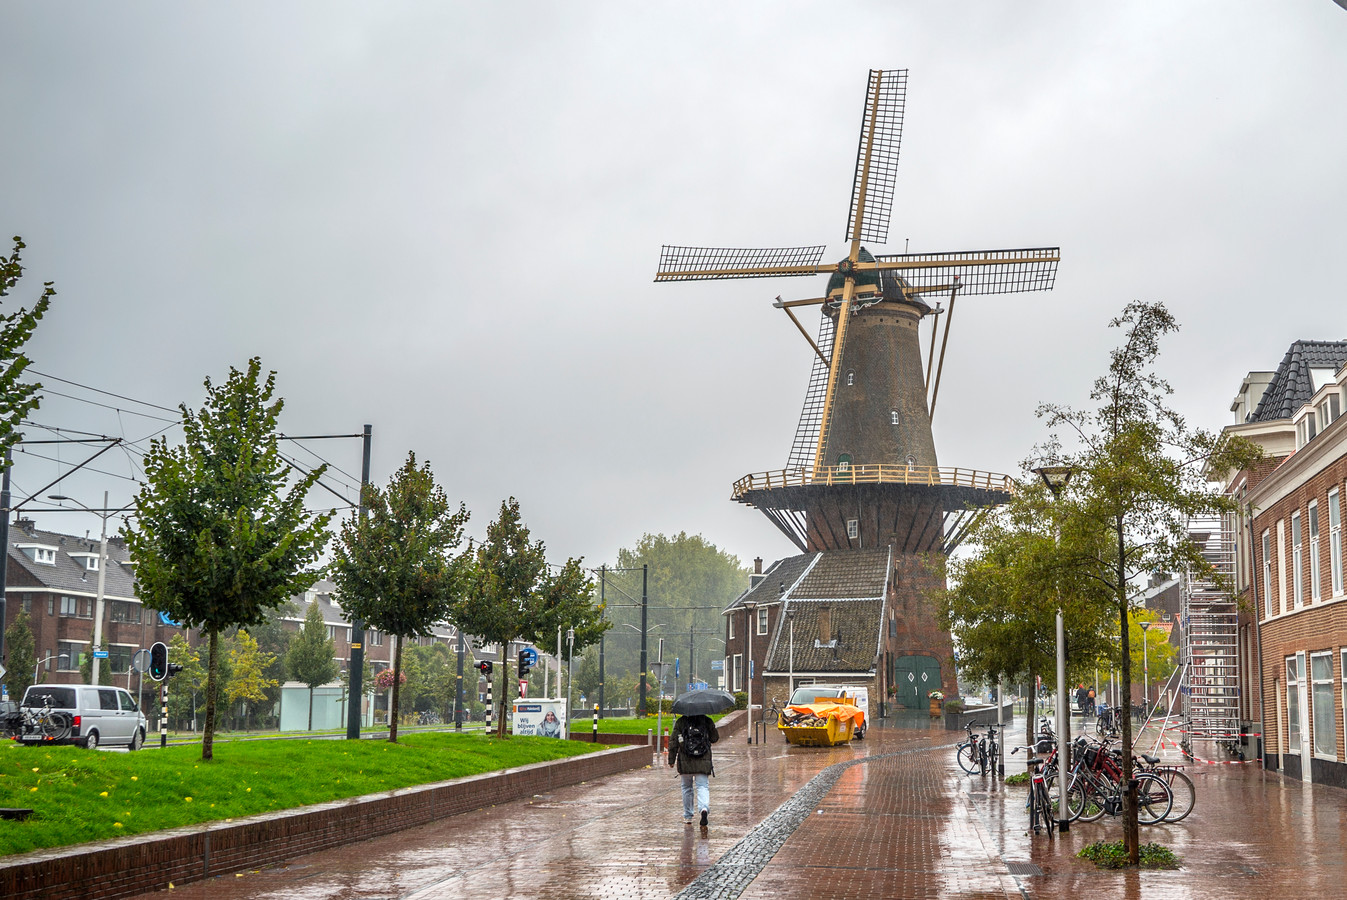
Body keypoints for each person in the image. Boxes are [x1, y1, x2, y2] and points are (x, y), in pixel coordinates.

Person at [667, 712, 719, 827]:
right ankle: (704, 809)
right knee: (703, 786)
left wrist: (671, 760)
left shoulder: (681, 722)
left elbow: (673, 742)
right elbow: (714, 738)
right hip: (703, 760)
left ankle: (688, 816)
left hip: (686, 761)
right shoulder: (707, 721)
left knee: (686, 788)